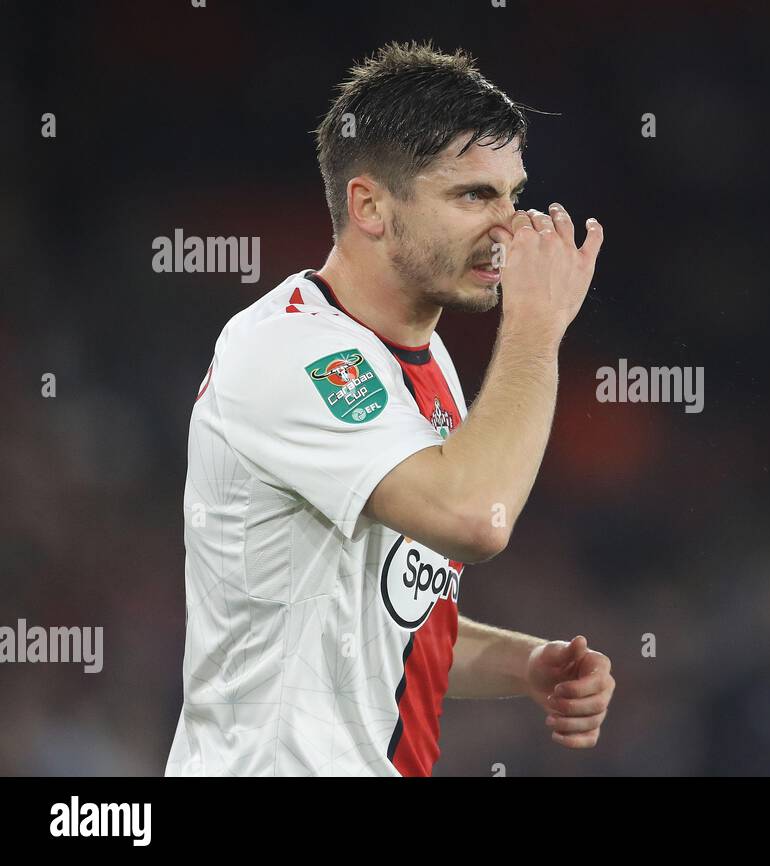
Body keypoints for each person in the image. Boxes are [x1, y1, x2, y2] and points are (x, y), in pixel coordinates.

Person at [166, 41, 614, 776]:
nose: (509, 227)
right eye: (473, 195)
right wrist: (536, 327)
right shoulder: (290, 350)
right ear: (370, 205)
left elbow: (383, 621)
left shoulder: (422, 357)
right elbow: (478, 521)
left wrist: (524, 665)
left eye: (513, 194)